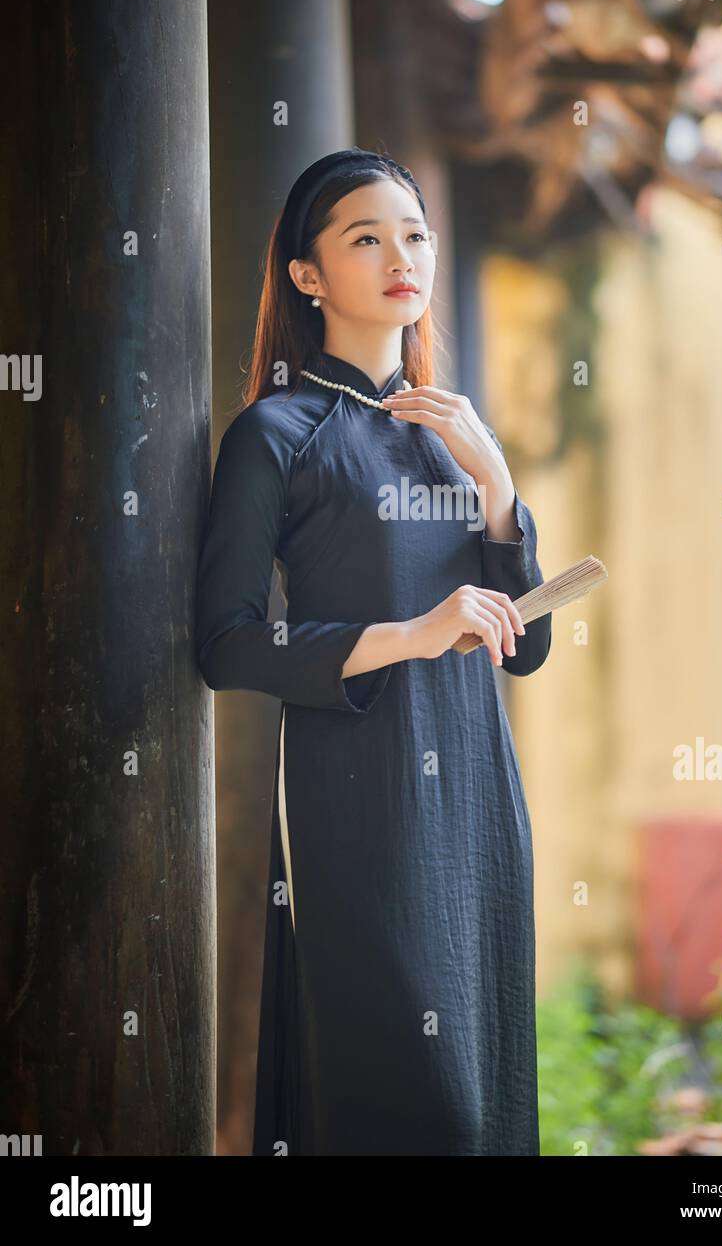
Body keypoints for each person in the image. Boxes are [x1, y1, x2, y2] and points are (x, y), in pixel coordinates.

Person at [195, 147, 552, 1155]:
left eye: (415, 234)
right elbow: (225, 644)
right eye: (366, 236)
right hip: (358, 800)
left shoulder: (453, 432)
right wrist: (412, 633)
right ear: (306, 275)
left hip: (478, 799)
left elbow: (527, 648)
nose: (403, 255)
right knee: (412, 1101)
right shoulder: (277, 433)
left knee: (484, 1105)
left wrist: (497, 491)